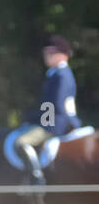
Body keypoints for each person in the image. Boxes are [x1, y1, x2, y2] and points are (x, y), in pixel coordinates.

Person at [12, 34, 82, 186]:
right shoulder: (55, 74)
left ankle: (36, 178)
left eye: (51, 53)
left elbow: (55, 104)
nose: (47, 56)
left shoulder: (61, 75)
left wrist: (35, 118)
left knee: (21, 142)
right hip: (53, 119)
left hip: (55, 123)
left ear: (63, 55)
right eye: (46, 53)